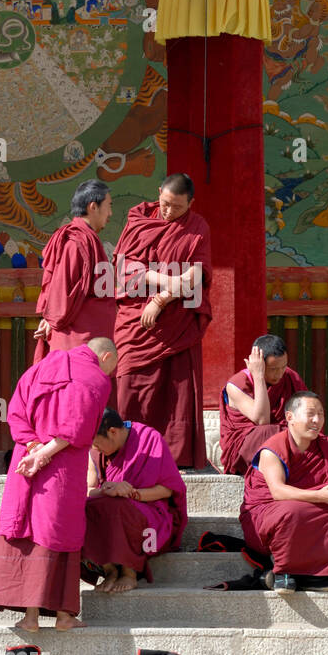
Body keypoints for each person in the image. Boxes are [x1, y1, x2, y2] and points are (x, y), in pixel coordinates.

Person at [0, 337, 118, 631]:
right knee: (57, 532)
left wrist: (32, 447)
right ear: (105, 357)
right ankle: (64, 616)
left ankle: (30, 618)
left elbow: (16, 409)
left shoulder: (42, 366)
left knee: (29, 528)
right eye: (112, 368)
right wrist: (44, 455)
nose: (110, 375)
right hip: (62, 465)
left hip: (25, 457)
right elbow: (76, 426)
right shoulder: (95, 377)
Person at [113, 173, 213, 468]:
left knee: (175, 389)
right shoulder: (138, 220)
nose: (168, 212)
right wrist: (167, 280)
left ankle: (173, 457)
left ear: (191, 204)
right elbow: (123, 269)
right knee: (129, 384)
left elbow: (194, 279)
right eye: (165, 203)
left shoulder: (197, 228)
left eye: (177, 207)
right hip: (135, 323)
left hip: (175, 323)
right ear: (159, 193)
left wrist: (159, 300)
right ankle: (124, 452)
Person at [239, 391, 328, 593]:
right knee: (292, 511)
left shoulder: (326, 446)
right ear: (290, 417)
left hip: (312, 506)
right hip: (266, 514)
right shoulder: (272, 449)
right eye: (310, 414)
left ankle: (322, 571)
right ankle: (284, 570)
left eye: (321, 414)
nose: (317, 420)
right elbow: (278, 492)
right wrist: (321, 495)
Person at [83, 408, 187, 594]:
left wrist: (131, 493)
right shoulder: (94, 452)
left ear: (113, 432)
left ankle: (129, 572)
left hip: (149, 509)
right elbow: (88, 491)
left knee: (120, 507)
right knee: (81, 508)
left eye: (98, 444)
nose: (95, 449)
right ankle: (109, 570)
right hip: (109, 504)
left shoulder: (148, 439)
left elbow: (168, 490)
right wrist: (106, 490)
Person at [33, 180, 114, 362]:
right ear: (93, 207)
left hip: (90, 341)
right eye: (108, 206)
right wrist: (52, 319)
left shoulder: (87, 239)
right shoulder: (76, 242)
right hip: (77, 344)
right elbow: (62, 291)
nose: (111, 213)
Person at [218, 334, 307, 476]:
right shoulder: (237, 384)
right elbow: (262, 420)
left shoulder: (290, 377)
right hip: (247, 445)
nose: (279, 374)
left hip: (284, 438)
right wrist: (258, 376)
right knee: (267, 433)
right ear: (258, 363)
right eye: (273, 369)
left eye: (283, 367)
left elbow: (304, 411)